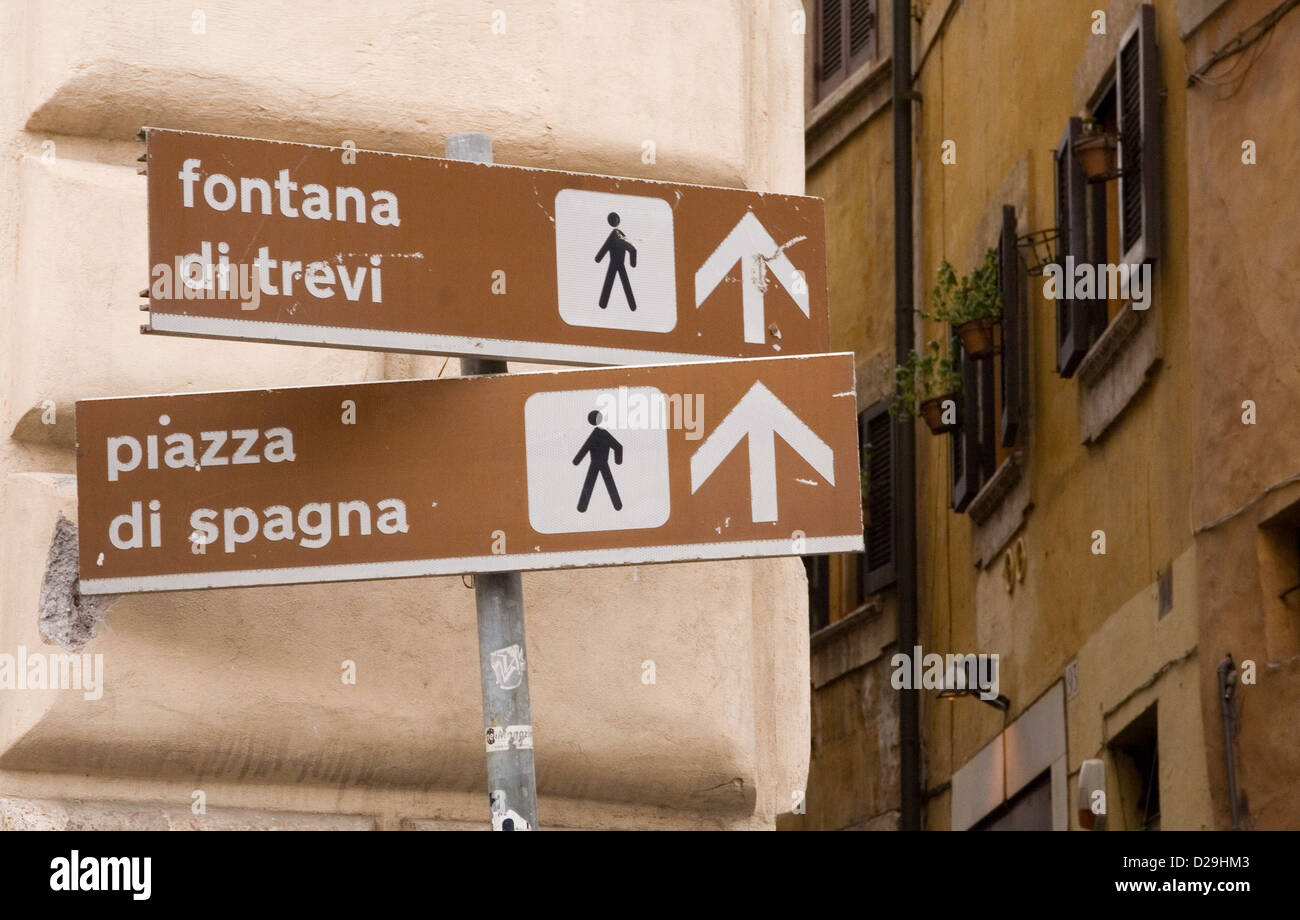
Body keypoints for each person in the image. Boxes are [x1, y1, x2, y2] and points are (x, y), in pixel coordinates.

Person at [573, 410, 623, 512]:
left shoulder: (595, 434)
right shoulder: (604, 434)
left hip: (595, 463)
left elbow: (585, 448)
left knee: (589, 484)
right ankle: (617, 505)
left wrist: (577, 461)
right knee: (608, 483)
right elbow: (618, 447)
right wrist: (618, 461)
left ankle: (582, 507)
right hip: (603, 463)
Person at [594, 212, 637, 311]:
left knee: (614, 283)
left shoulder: (616, 235)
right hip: (617, 263)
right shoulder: (619, 235)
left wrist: (598, 258)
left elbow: (632, 249)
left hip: (615, 263)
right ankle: (631, 306)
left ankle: (603, 304)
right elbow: (632, 249)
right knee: (621, 283)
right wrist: (632, 263)